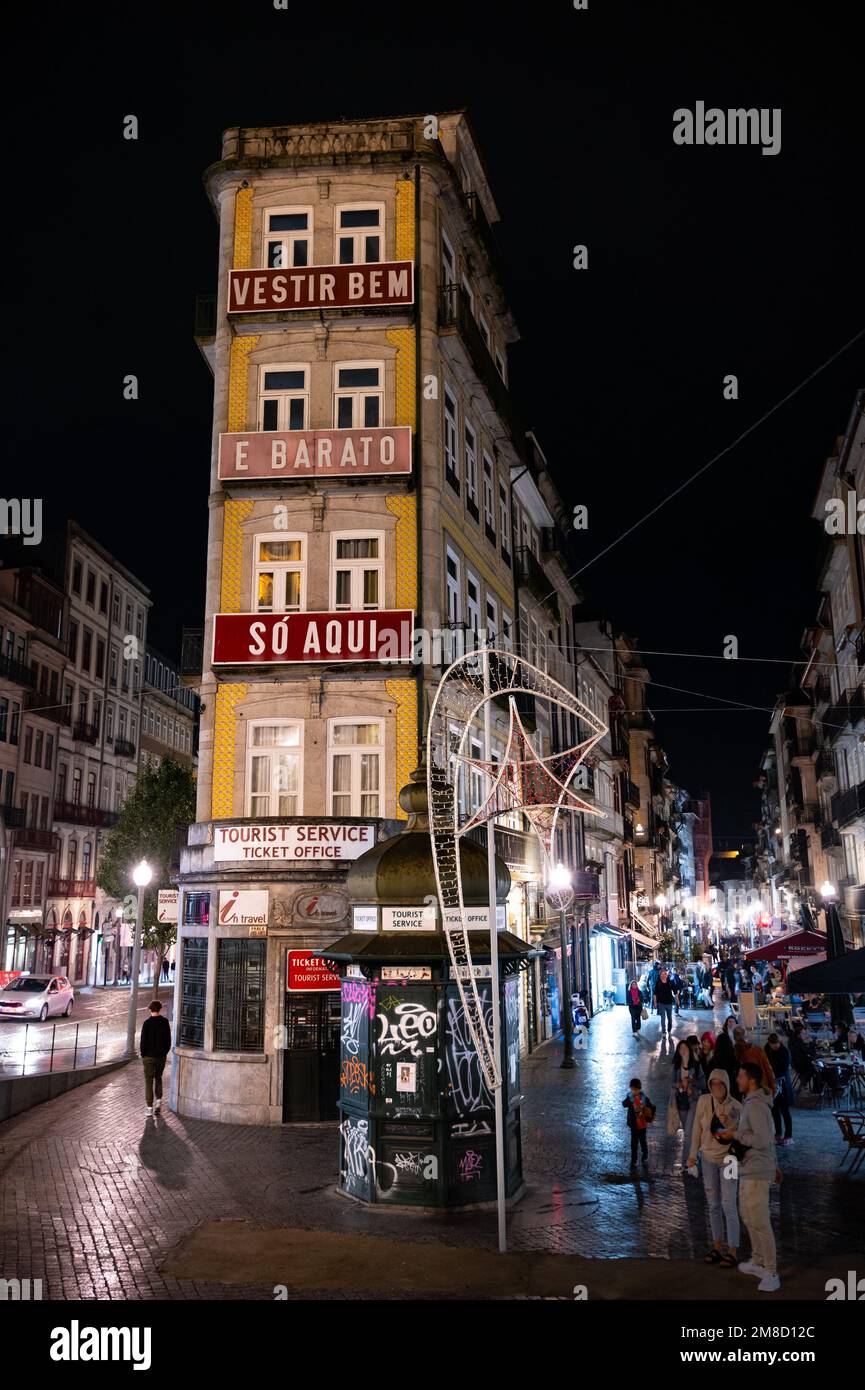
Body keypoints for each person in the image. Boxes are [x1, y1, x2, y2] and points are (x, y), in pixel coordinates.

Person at [718, 1062, 782, 1292]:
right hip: (749, 1169)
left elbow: (763, 1140)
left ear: (751, 1080)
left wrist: (736, 1134)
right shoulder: (751, 1103)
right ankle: (758, 1261)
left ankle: (772, 1272)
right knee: (748, 1216)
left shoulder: (755, 1106)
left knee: (761, 1222)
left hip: (756, 1171)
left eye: (741, 1077)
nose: (737, 1080)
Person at [688, 1068, 743, 1268]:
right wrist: (693, 1155)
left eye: (721, 1084)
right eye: (714, 1083)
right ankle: (717, 1246)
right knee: (713, 1204)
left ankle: (733, 1250)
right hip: (708, 1159)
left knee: (729, 1204)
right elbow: (696, 1130)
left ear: (727, 1085)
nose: (717, 1087)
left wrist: (728, 1121)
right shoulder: (704, 1101)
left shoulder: (736, 1107)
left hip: (730, 1160)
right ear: (710, 1085)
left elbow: (740, 1135)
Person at [670, 1038, 706, 1156]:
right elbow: (671, 1083)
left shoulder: (695, 1065)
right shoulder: (676, 1066)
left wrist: (692, 1081)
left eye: (685, 1048)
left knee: (689, 1133)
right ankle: (695, 1155)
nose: (683, 1050)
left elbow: (703, 1084)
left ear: (690, 1051)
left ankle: (687, 1161)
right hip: (681, 1101)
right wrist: (678, 1084)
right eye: (681, 1048)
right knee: (687, 1130)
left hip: (694, 1100)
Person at [140, 1000, 171, 1116]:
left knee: (148, 1081)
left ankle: (149, 1108)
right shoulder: (165, 1022)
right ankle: (158, 1103)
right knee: (158, 1077)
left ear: (150, 1010)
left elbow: (143, 1042)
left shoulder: (146, 1023)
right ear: (160, 1009)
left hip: (148, 1056)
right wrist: (164, 1053)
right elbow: (168, 1041)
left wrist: (143, 1054)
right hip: (160, 1057)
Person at [765, 1033, 793, 1145]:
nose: (774, 1047)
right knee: (774, 1110)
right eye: (772, 1045)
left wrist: (772, 1072)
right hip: (772, 1084)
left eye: (775, 1044)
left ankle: (788, 1135)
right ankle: (778, 1133)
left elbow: (784, 1069)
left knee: (785, 1111)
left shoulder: (784, 1052)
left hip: (783, 1084)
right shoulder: (767, 1048)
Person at [733, 1026, 776, 1094]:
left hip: (746, 1090)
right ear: (745, 1036)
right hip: (762, 1086)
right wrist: (773, 1087)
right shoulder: (757, 1050)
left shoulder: (734, 1054)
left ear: (734, 1038)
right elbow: (768, 1069)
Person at [622, 1076, 653, 1169]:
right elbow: (624, 1104)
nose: (633, 1091)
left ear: (639, 1089)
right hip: (634, 1124)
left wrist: (646, 1109)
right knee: (634, 1142)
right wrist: (629, 1099)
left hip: (642, 1124)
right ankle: (634, 1159)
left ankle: (645, 1155)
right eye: (632, 1089)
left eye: (635, 1089)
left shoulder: (644, 1098)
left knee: (643, 1141)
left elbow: (650, 1106)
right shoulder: (630, 1097)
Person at [653, 968, 676, 1037]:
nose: (664, 975)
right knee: (663, 1018)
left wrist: (677, 999)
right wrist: (655, 1003)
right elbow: (655, 994)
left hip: (669, 1003)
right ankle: (663, 1032)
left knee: (670, 1019)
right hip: (661, 1003)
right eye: (662, 974)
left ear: (667, 975)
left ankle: (669, 1030)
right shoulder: (658, 983)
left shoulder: (670, 982)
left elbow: (675, 991)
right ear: (660, 975)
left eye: (665, 974)